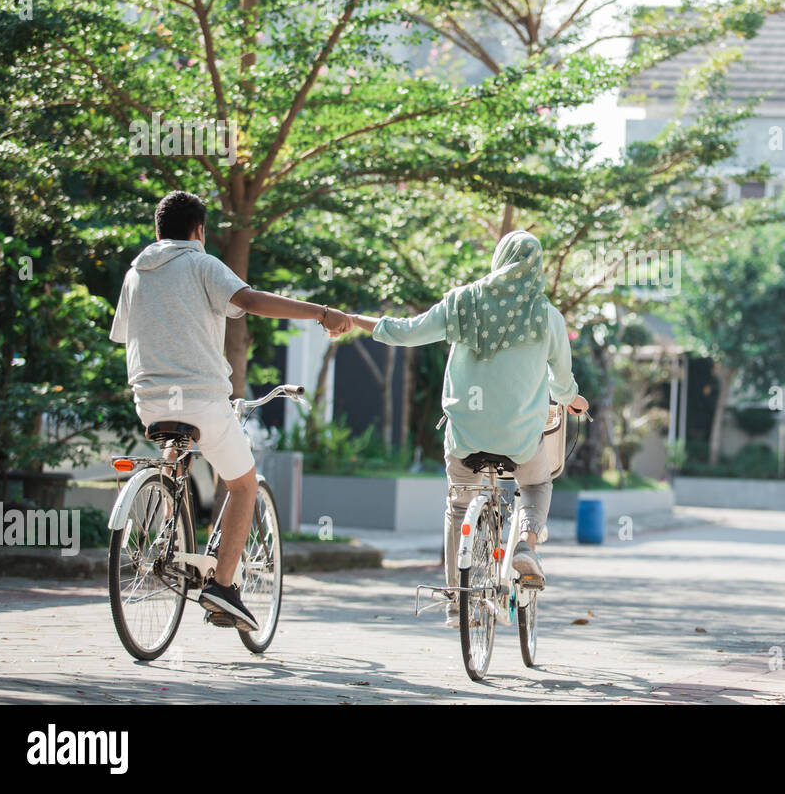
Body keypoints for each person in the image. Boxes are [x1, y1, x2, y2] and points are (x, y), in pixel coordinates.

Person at [109, 191, 353, 631]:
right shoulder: (203, 264)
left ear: (157, 231)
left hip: (148, 401)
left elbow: (128, 336)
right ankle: (222, 586)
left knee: (176, 452)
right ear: (199, 231)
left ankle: (170, 532)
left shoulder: (134, 274)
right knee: (242, 485)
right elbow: (252, 301)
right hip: (202, 399)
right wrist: (321, 312)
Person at [350, 230, 588, 627]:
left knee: (458, 506)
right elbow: (561, 383)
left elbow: (409, 332)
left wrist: (356, 320)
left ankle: (457, 603)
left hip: (466, 437)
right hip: (520, 439)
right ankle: (526, 546)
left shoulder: (463, 301)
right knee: (535, 484)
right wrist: (573, 398)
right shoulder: (547, 317)